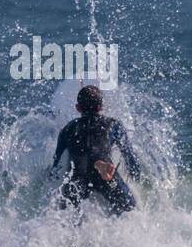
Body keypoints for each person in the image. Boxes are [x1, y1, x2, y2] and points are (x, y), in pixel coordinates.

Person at [50, 85, 141, 215]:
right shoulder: (113, 125)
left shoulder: (67, 129)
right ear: (101, 107)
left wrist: (49, 177)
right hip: (105, 175)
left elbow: (56, 163)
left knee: (66, 218)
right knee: (129, 207)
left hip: (78, 177)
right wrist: (137, 177)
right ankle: (100, 166)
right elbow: (130, 157)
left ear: (78, 108)